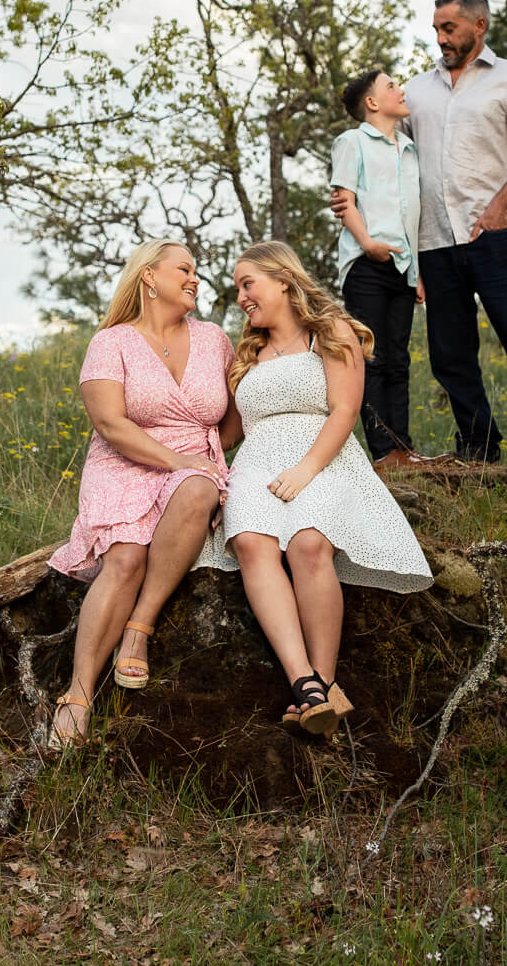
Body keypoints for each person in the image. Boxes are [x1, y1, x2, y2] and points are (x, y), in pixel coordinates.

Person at [335, 0, 507, 470]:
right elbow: (387, 158)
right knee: (451, 355)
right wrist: (349, 196)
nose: (440, 38)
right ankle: (478, 446)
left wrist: (499, 208)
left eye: (449, 28)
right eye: (436, 29)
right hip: (432, 244)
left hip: (493, 235)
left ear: (479, 26)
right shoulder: (416, 91)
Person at [203, 241, 432, 736]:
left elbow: (346, 411)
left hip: (323, 453)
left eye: (249, 283)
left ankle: (327, 683)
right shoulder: (248, 354)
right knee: (250, 544)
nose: (241, 296)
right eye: (238, 287)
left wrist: (307, 469)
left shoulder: (332, 332)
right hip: (258, 461)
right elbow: (230, 432)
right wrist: (203, 477)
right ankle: (303, 683)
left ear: (283, 280)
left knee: (309, 542)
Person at [47, 240, 239, 745]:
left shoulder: (216, 339)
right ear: (149, 277)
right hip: (125, 462)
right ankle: (79, 694)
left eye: (197, 270)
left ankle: (140, 627)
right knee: (126, 558)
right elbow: (110, 423)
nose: (195, 278)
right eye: (185, 269)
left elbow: (236, 415)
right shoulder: (111, 342)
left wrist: (206, 457)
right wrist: (176, 458)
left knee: (200, 489)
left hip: (193, 465)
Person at [329, 69, 446, 473]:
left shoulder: (409, 149)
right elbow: (345, 198)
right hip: (367, 263)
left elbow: (410, 212)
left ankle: (404, 450)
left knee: (399, 358)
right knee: (373, 357)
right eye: (392, 86)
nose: (402, 90)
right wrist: (368, 244)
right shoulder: (353, 141)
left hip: (403, 267)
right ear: (372, 103)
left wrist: (416, 272)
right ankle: (383, 452)